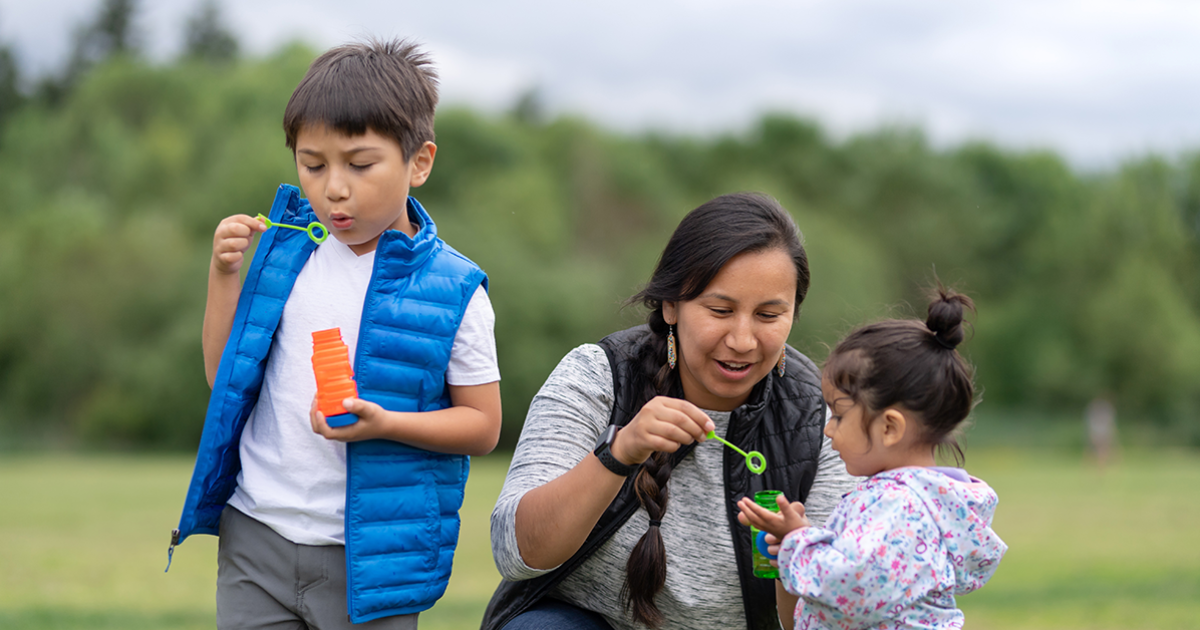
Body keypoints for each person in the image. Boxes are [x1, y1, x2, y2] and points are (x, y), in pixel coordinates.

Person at [169, 39, 502, 629]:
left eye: (360, 164)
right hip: (256, 534)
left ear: (418, 162)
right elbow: (222, 379)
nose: (333, 188)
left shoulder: (453, 290)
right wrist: (225, 276)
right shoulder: (284, 257)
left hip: (372, 560)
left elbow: (483, 427)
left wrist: (385, 424)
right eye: (313, 164)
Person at [483, 193, 858, 630]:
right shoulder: (599, 375)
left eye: (769, 315)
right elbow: (516, 553)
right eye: (720, 310)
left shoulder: (821, 414)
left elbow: (832, 616)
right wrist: (618, 453)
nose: (742, 339)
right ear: (671, 305)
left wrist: (796, 553)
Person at [738, 288, 1007, 630]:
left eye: (838, 415)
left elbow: (854, 589)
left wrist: (798, 541)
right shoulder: (922, 503)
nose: (829, 430)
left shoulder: (899, 505)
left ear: (890, 427)